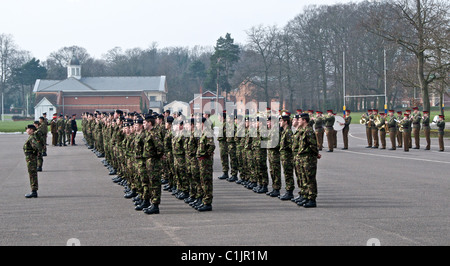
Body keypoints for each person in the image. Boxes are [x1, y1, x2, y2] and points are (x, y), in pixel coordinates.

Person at [294, 113, 321, 208]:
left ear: (304, 120)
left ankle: (312, 199)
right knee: (304, 178)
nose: (298, 121)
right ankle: (306, 196)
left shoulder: (309, 131)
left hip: (309, 158)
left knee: (310, 179)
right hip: (303, 158)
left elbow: (313, 145)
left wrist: (315, 154)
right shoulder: (304, 130)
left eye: (300, 119)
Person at [195, 117, 215, 212]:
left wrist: (206, 155)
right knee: (203, 181)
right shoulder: (202, 133)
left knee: (206, 181)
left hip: (205, 161)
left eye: (198, 123)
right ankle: (204, 201)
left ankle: (207, 202)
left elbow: (211, 146)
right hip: (201, 161)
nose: (196, 125)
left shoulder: (207, 133)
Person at [279, 112, 295, 200]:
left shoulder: (288, 132)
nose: (280, 122)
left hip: (288, 157)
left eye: (281, 121)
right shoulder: (284, 131)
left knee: (288, 174)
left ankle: (289, 192)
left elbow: (291, 146)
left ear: (285, 122)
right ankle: (288, 191)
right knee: (286, 174)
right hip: (284, 157)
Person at [23, 124, 42, 198]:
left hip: (31, 158)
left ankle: (34, 191)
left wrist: (35, 152)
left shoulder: (32, 138)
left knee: (32, 174)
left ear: (31, 130)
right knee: (32, 174)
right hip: (30, 158)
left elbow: (37, 146)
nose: (26, 130)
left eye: (27, 129)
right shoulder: (32, 137)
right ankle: (33, 190)